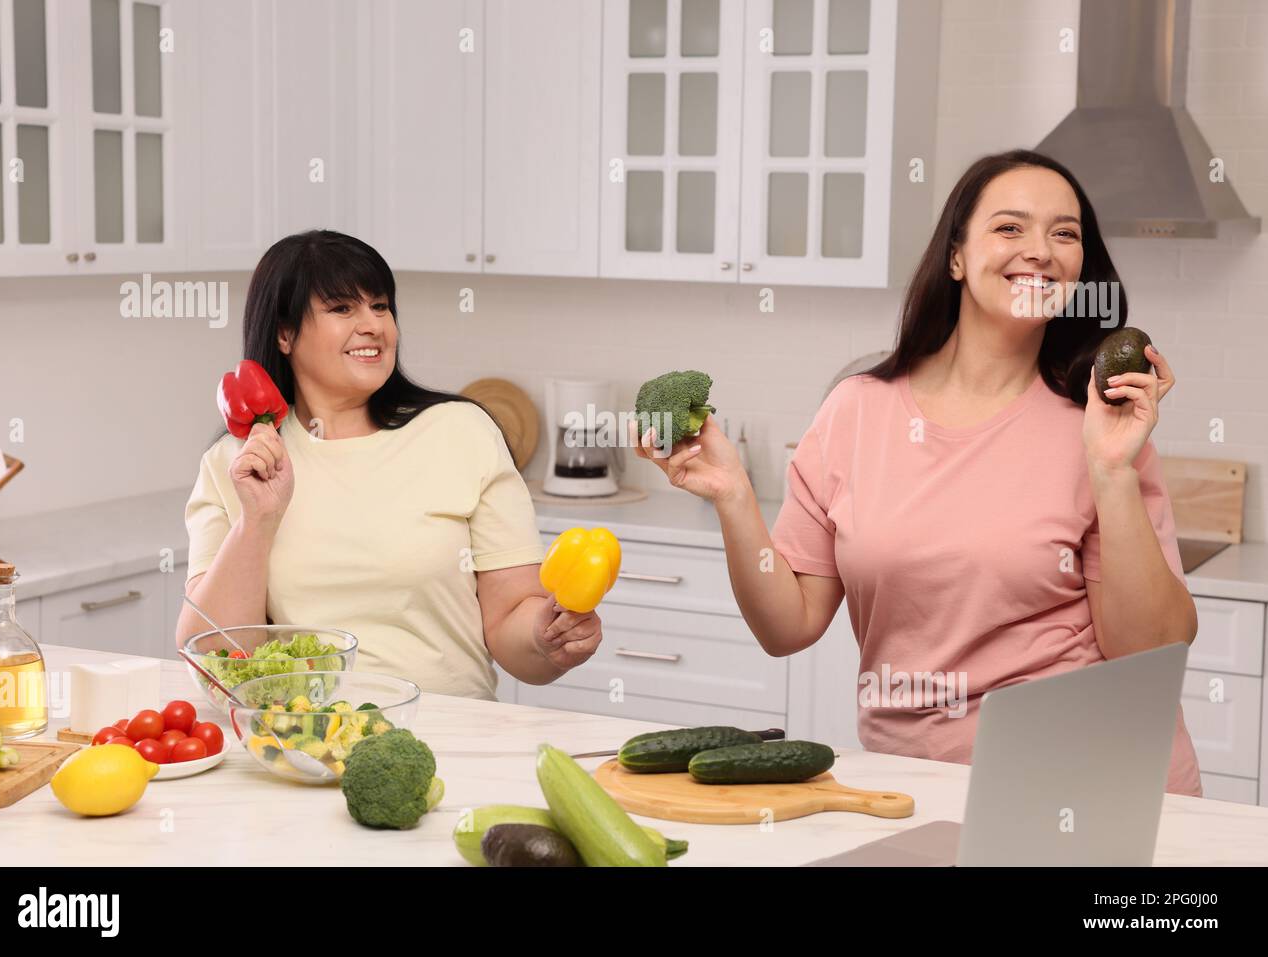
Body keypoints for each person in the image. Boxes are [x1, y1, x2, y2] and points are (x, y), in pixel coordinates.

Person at [634, 149, 1201, 795]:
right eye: (1010, 227)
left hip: (1088, 784)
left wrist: (1111, 470)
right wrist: (733, 496)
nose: (1040, 250)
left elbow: (1151, 653)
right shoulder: (855, 410)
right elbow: (786, 626)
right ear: (956, 256)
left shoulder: (1102, 423)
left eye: (1064, 233)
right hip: (913, 782)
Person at [176, 230, 601, 699]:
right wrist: (258, 520)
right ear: (284, 333)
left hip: (452, 737)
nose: (374, 325)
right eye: (342, 309)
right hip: (303, 743)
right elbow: (215, 660)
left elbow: (510, 628)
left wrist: (546, 637)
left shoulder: (461, 433)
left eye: (380, 306)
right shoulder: (235, 466)